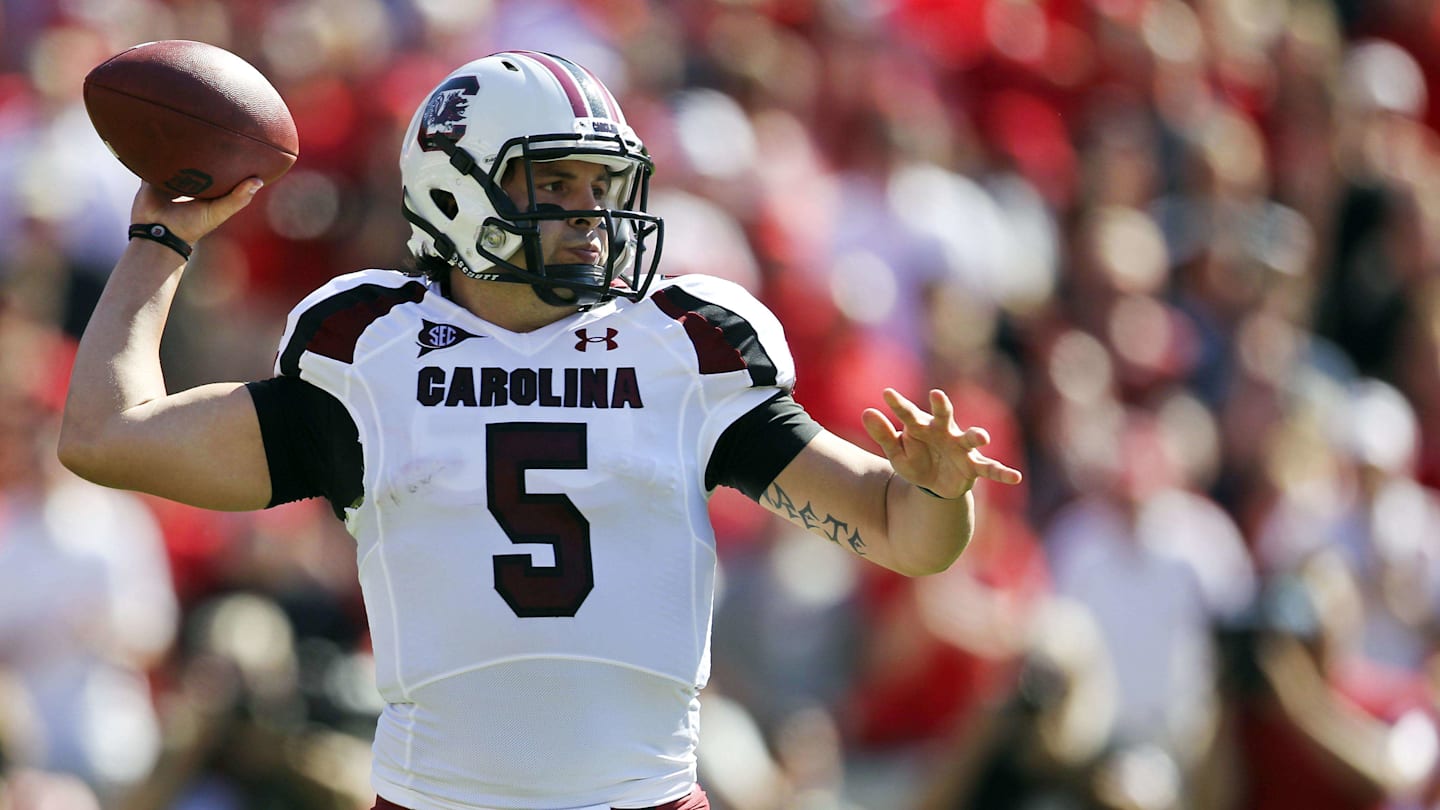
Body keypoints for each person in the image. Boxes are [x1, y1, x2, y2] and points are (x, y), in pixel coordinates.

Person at [57, 50, 1022, 810]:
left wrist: (938, 492)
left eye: (601, 187)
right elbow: (107, 436)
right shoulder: (371, 359)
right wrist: (162, 239)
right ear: (455, 191)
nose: (590, 215)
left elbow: (904, 535)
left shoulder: (683, 349)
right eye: (554, 185)